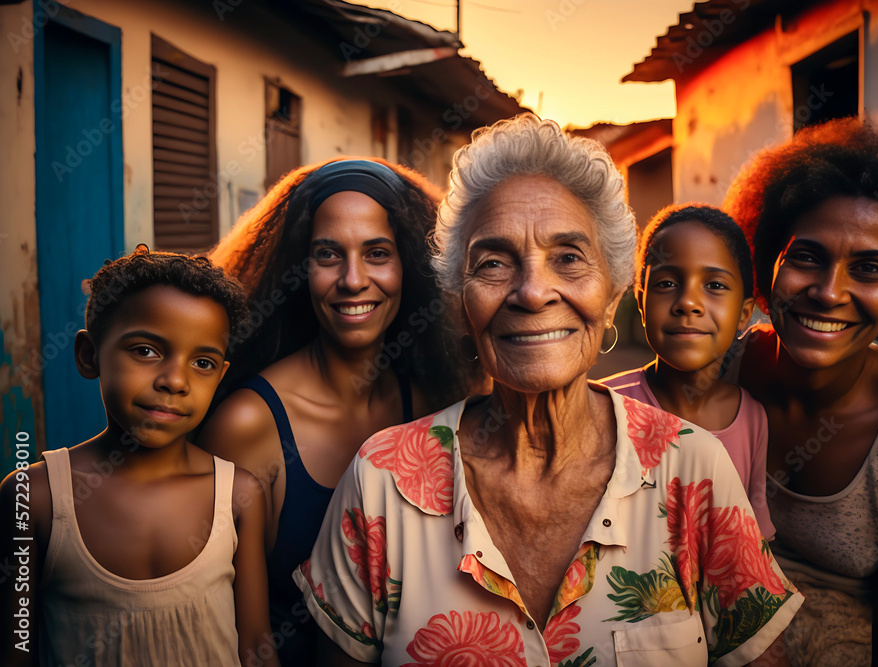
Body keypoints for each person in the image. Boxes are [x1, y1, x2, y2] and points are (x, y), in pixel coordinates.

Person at [295, 114, 802, 666]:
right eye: (493, 262)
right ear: (461, 303)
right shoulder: (382, 481)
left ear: (610, 297)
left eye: (567, 258)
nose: (533, 292)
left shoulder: (694, 470)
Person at [722, 118, 878, 666]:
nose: (828, 292)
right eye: (807, 256)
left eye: (868, 268)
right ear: (768, 262)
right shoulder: (719, 367)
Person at [199, 158, 470, 665]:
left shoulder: (429, 405)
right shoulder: (248, 424)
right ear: (300, 268)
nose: (352, 280)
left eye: (377, 253)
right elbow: (224, 626)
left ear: (410, 264)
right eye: (328, 254)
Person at [0, 246, 276, 667]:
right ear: (89, 355)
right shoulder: (33, 497)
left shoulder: (239, 494)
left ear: (220, 376)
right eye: (146, 351)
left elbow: (256, 647)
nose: (175, 381)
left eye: (202, 362)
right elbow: (15, 652)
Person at [600, 204, 774, 540]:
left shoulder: (753, 419)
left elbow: (753, 541)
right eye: (666, 283)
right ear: (641, 303)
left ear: (744, 314)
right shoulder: (604, 405)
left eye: (715, 286)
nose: (688, 302)